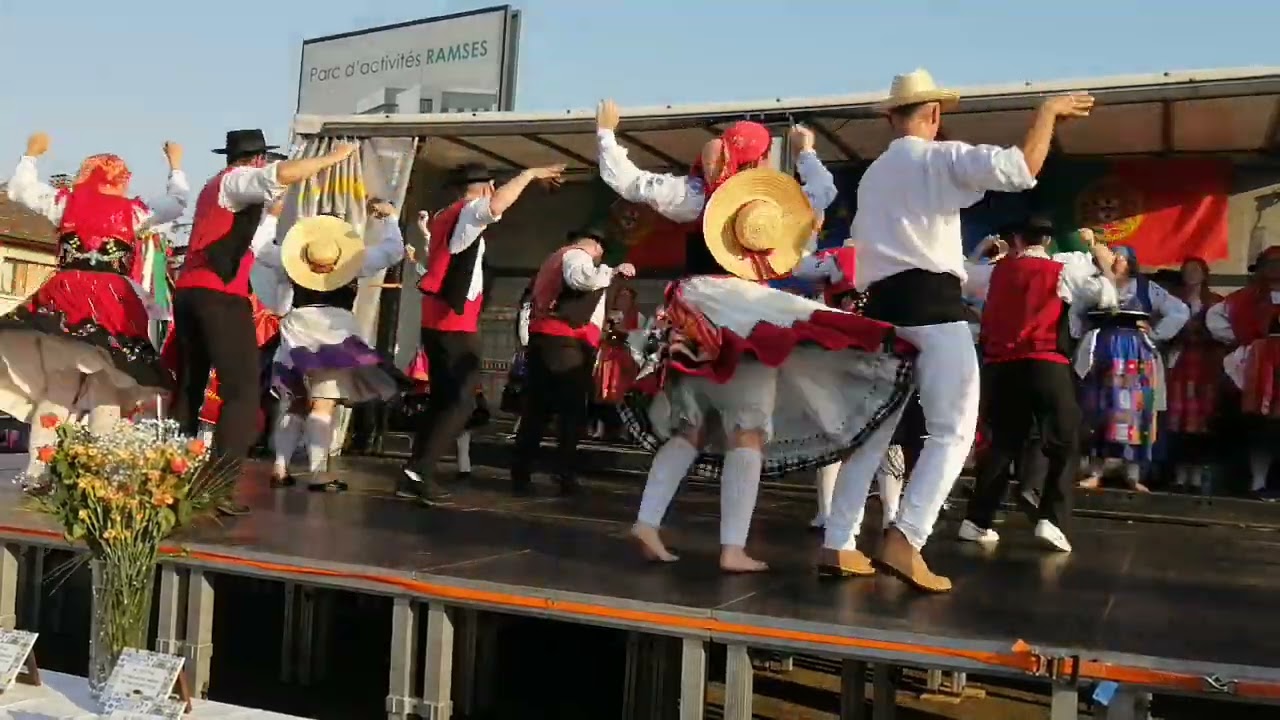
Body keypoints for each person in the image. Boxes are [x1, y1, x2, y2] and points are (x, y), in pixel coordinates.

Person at [598, 100, 914, 573]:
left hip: (688, 320)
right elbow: (821, 196)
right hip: (740, 320)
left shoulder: (694, 193)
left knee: (691, 428)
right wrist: (807, 153)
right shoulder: (769, 207)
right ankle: (732, 548)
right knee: (748, 432)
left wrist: (606, 133)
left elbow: (630, 181)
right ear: (760, 161)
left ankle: (647, 520)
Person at [822, 70, 1093, 593]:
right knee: (953, 430)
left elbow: (906, 238)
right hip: (932, 311)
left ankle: (839, 542)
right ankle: (908, 537)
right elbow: (1022, 168)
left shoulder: (876, 175)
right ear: (934, 115)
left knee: (874, 434)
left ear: (890, 116)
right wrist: (1046, 114)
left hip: (880, 312)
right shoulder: (938, 158)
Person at [172, 129, 356, 514]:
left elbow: (255, 231)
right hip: (219, 297)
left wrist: (273, 208)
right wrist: (333, 158)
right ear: (257, 160)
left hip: (191, 292)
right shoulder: (237, 181)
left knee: (190, 385)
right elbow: (279, 177)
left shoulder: (218, 191)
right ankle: (216, 486)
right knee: (240, 393)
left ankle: (172, 473)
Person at [0, 133, 189, 476]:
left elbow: (20, 189)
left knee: (58, 390)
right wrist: (175, 165)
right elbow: (177, 203)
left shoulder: (64, 202)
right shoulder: (133, 211)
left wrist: (31, 155)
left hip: (65, 295)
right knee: (108, 391)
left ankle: (36, 474)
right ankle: (99, 476)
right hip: (113, 304)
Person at [402, 161, 566, 503]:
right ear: (486, 187)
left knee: (445, 399)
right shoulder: (468, 212)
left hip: (441, 320)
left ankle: (415, 470)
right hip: (452, 324)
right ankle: (420, 470)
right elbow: (494, 207)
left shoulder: (448, 216)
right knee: (462, 400)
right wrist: (530, 174)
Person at [960, 220, 1118, 553]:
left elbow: (964, 280)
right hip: (1045, 362)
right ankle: (1052, 520)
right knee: (1064, 440)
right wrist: (1103, 264)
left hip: (1001, 367)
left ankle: (976, 520)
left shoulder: (994, 273)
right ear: (1047, 239)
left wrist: (984, 254)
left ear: (1016, 238)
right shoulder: (1062, 270)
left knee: (1002, 442)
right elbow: (1107, 299)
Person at [256, 200, 408, 492]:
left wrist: (270, 217)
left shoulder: (291, 259)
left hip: (296, 330)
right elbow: (393, 250)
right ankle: (317, 473)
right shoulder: (355, 261)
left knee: (297, 402)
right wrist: (389, 217)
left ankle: (280, 466)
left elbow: (261, 247)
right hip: (333, 335)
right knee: (323, 405)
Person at [511, 228, 635, 495]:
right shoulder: (576, 256)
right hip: (564, 341)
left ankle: (523, 471)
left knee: (538, 409)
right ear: (594, 246)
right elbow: (581, 280)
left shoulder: (554, 259)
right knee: (570, 411)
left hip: (551, 339)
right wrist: (611, 272)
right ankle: (563, 473)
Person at [791, 246, 905, 532]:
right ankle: (888, 513)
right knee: (882, 434)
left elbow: (799, 268)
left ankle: (831, 511)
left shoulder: (838, 257)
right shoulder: (894, 256)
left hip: (849, 349)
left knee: (841, 434)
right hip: (877, 348)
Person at [1076, 245, 1189, 492]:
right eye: (1112, 255)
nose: (1115, 260)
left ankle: (1132, 473)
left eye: (1120, 256)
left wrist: (1157, 333)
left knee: (1135, 410)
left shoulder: (1146, 287)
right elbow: (1078, 310)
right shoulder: (1095, 284)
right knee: (1100, 408)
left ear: (1131, 262)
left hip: (1135, 352)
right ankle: (1095, 471)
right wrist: (1079, 335)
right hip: (1102, 348)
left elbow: (1180, 311)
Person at [1207, 245, 1280, 499]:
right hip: (1258, 369)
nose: (1275, 270)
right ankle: (1257, 482)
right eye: (1270, 264)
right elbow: (1215, 318)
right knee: (1260, 426)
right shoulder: (1246, 297)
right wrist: (1245, 340)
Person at [1165, 257, 1226, 493]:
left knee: (1204, 419)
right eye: (1187, 270)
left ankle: (1198, 474)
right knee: (1179, 419)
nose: (1191, 274)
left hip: (1206, 366)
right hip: (1181, 363)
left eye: (1196, 270)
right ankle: (1180, 474)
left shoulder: (1215, 302)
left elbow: (1224, 332)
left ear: (1204, 274)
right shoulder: (1172, 300)